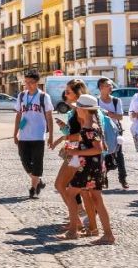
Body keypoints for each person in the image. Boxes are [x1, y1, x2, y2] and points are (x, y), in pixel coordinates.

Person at [64, 95, 114, 244]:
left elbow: (97, 149)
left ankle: (74, 230)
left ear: (83, 110)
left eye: (77, 107)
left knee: (70, 193)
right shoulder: (91, 126)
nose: (75, 109)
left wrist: (76, 152)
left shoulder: (89, 128)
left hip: (88, 168)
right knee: (97, 199)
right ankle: (107, 234)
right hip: (95, 167)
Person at [50, 79, 89, 235]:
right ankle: (78, 222)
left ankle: (77, 224)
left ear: (77, 93)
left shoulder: (80, 109)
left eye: (68, 92)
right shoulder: (76, 108)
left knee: (63, 186)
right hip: (74, 152)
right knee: (65, 186)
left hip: (77, 152)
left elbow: (84, 134)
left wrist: (65, 138)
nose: (65, 95)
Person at [14, 71, 53, 199]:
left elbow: (49, 116)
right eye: (26, 82)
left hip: (38, 135)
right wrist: (15, 133)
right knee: (25, 161)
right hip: (24, 135)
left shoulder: (43, 97)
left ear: (37, 83)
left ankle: (33, 188)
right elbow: (19, 115)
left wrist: (51, 135)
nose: (28, 85)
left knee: (37, 163)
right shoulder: (21, 96)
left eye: (31, 82)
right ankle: (38, 181)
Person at [97, 77, 129, 190]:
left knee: (119, 154)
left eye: (111, 85)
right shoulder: (96, 101)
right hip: (100, 131)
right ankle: (103, 177)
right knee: (102, 155)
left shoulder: (116, 101)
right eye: (107, 85)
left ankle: (123, 178)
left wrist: (108, 114)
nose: (111, 87)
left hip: (115, 131)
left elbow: (120, 116)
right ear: (101, 88)